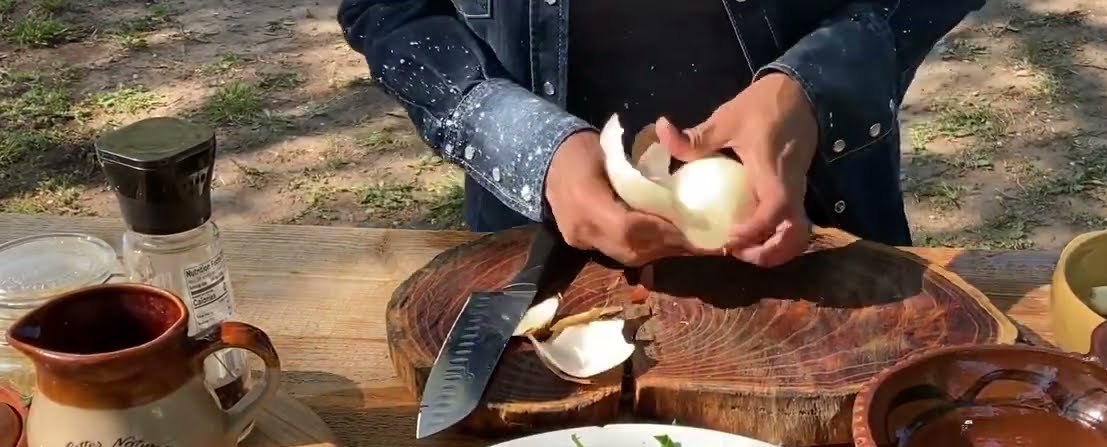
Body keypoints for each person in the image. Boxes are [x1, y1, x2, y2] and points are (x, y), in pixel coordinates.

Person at [338, 0, 984, 268]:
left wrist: (810, 88)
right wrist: (528, 146)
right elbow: (390, 11)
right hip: (539, 242)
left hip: (816, 218)